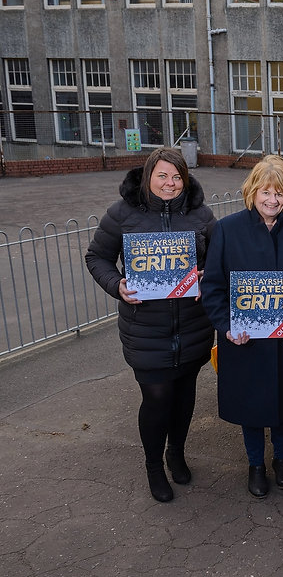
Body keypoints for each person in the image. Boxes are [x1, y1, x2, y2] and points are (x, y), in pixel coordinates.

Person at [85, 148, 216, 503]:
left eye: (177, 177)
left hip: (192, 324)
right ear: (147, 177)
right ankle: (154, 466)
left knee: (185, 394)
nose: (170, 184)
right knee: (157, 397)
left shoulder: (200, 214)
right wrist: (117, 285)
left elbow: (219, 258)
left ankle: (177, 454)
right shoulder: (122, 213)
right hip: (146, 328)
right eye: (162, 176)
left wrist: (208, 275)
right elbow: (97, 256)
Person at [200, 155, 283, 498]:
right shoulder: (227, 229)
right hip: (244, 339)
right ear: (252, 192)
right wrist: (225, 326)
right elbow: (212, 287)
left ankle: (282, 460)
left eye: (280, 194)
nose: (272, 201)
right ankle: (255, 464)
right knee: (251, 404)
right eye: (266, 193)